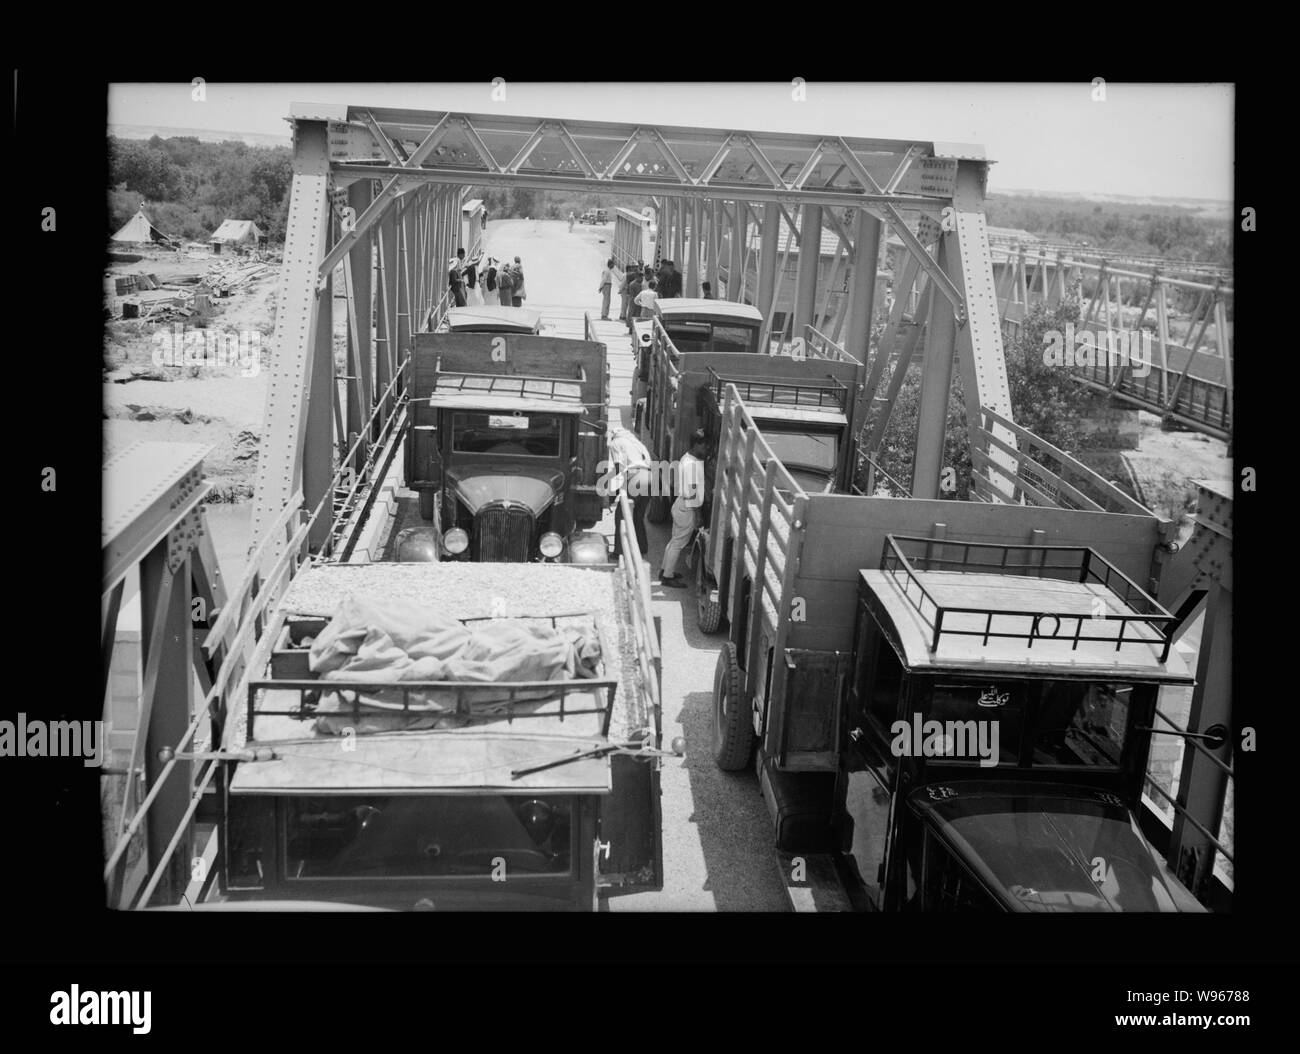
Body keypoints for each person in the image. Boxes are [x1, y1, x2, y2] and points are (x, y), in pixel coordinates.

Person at [660, 429, 708, 587]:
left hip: (681, 505)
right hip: (687, 508)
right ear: (696, 445)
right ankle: (667, 576)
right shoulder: (692, 465)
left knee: (674, 541)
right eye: (704, 446)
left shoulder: (687, 458)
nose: (706, 449)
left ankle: (665, 570)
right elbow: (692, 495)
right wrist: (698, 515)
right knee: (678, 543)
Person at [605, 423, 652, 559]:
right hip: (650, 477)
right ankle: (642, 547)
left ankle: (619, 552)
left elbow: (619, 468)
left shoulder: (616, 443)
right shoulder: (635, 442)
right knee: (638, 516)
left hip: (635, 477)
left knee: (622, 516)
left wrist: (609, 490)